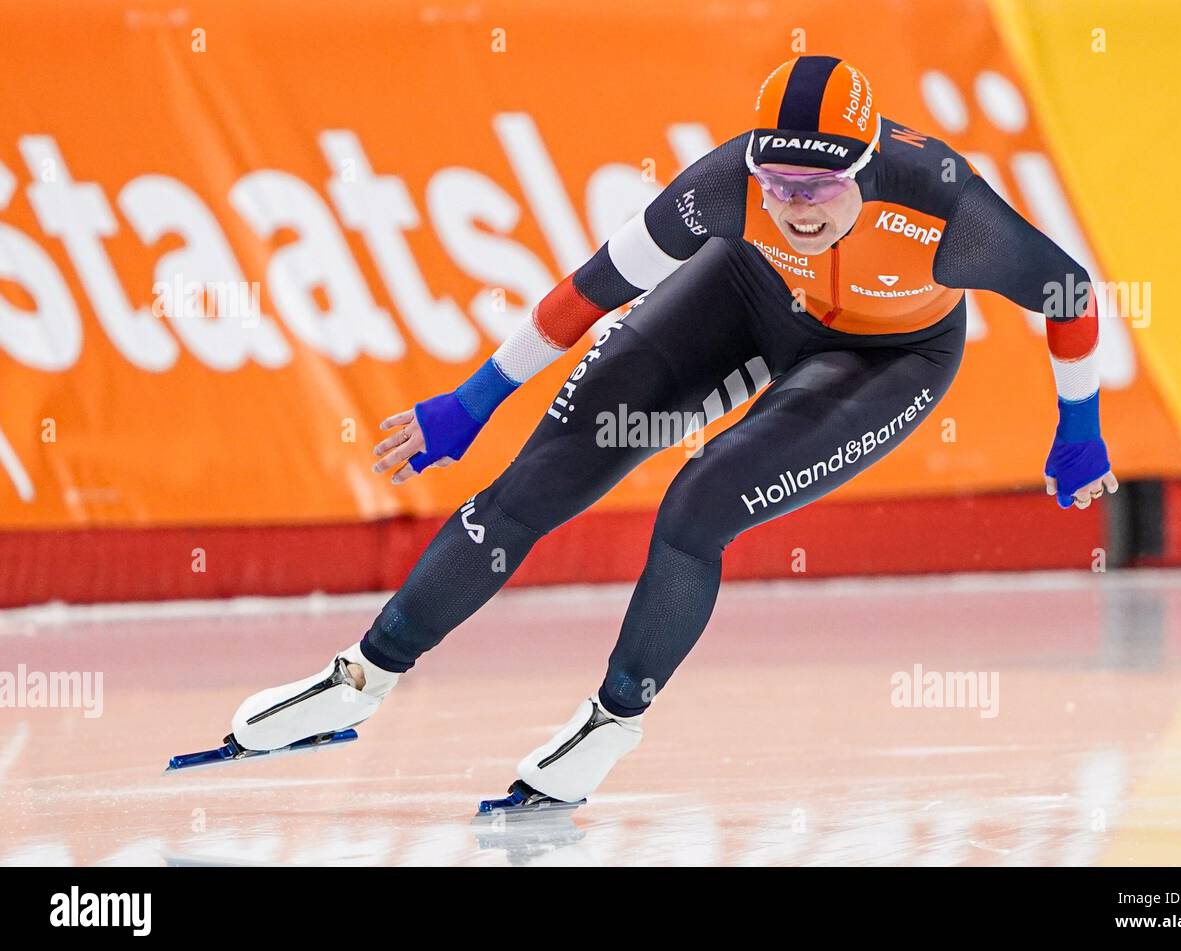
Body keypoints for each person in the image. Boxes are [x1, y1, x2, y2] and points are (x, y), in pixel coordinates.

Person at [228, 55, 1117, 811]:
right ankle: (359, 678)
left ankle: (613, 721)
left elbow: (1070, 295)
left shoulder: (946, 214)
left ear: (868, 168)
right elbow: (587, 291)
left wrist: (1080, 425)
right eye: (780, 184)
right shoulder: (724, 188)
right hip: (748, 295)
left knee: (699, 504)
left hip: (888, 358)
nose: (799, 207)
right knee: (542, 474)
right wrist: (475, 399)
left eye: (821, 188)